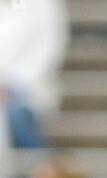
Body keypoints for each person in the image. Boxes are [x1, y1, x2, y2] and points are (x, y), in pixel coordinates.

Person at [0, 0, 69, 149]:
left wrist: (10, 84)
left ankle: (42, 164)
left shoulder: (42, 4)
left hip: (27, 89)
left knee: (16, 115)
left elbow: (48, 49)